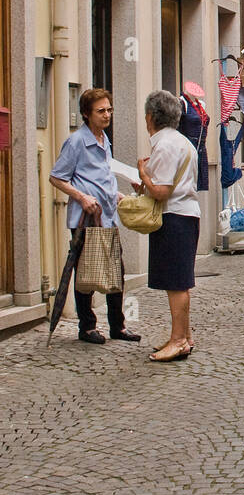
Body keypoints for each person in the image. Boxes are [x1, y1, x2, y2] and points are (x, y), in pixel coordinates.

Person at [49, 88, 138, 345]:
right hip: (85, 219)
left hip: (108, 217)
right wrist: (82, 197)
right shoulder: (77, 141)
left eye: (109, 110)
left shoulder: (103, 139)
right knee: (86, 275)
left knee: (116, 273)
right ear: (87, 114)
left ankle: (117, 326)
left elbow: (103, 175)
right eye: (101, 111)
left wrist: (118, 196)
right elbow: (56, 176)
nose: (107, 114)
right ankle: (86, 327)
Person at [135, 91, 200, 363]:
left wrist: (142, 176)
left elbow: (161, 191)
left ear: (150, 117)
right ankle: (185, 337)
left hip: (174, 216)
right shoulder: (183, 141)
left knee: (176, 283)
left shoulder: (164, 145)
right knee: (181, 282)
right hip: (187, 215)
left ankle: (178, 341)